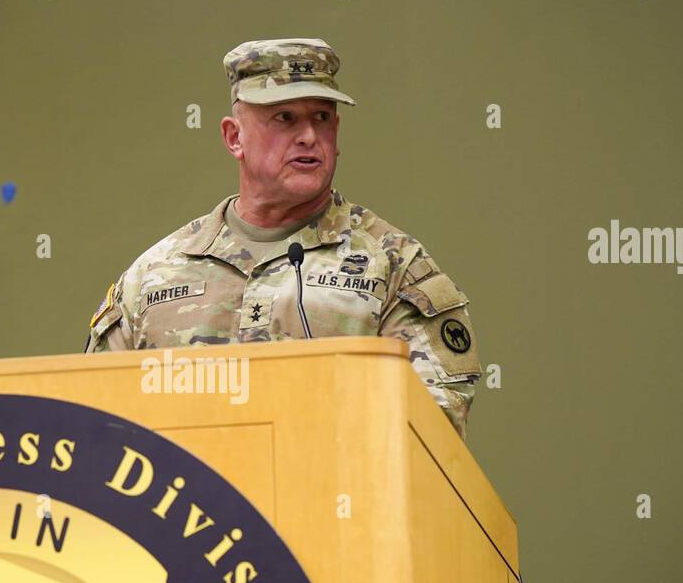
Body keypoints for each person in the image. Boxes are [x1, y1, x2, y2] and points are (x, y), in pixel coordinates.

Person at [85, 37, 482, 437]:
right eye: (285, 118)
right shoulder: (155, 274)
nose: (309, 135)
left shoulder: (394, 265)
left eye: (322, 118)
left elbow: (431, 434)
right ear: (234, 137)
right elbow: (95, 421)